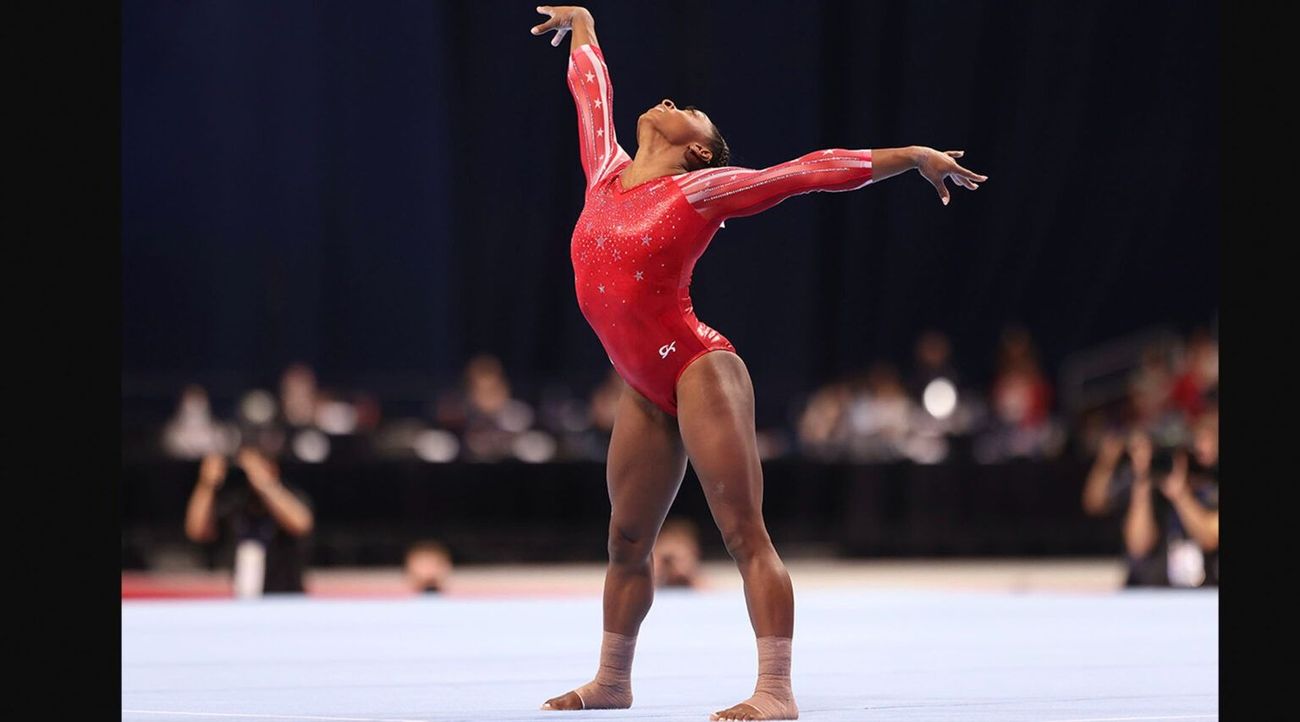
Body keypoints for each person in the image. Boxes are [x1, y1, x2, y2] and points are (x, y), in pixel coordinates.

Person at [530, 6, 987, 720]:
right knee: (625, 540)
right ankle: (613, 681)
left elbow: (805, 173)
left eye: (691, 112)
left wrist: (909, 157)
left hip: (698, 367)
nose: (673, 104)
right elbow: (592, 91)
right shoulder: (604, 173)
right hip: (643, 384)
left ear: (700, 152)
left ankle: (775, 690)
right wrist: (584, 23)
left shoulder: (699, 191)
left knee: (742, 531)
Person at [184, 446, 315, 595]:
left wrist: (264, 483)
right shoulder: (234, 502)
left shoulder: (291, 496)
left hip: (285, 599)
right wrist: (207, 484)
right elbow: (197, 531)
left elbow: (301, 524)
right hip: (242, 600)